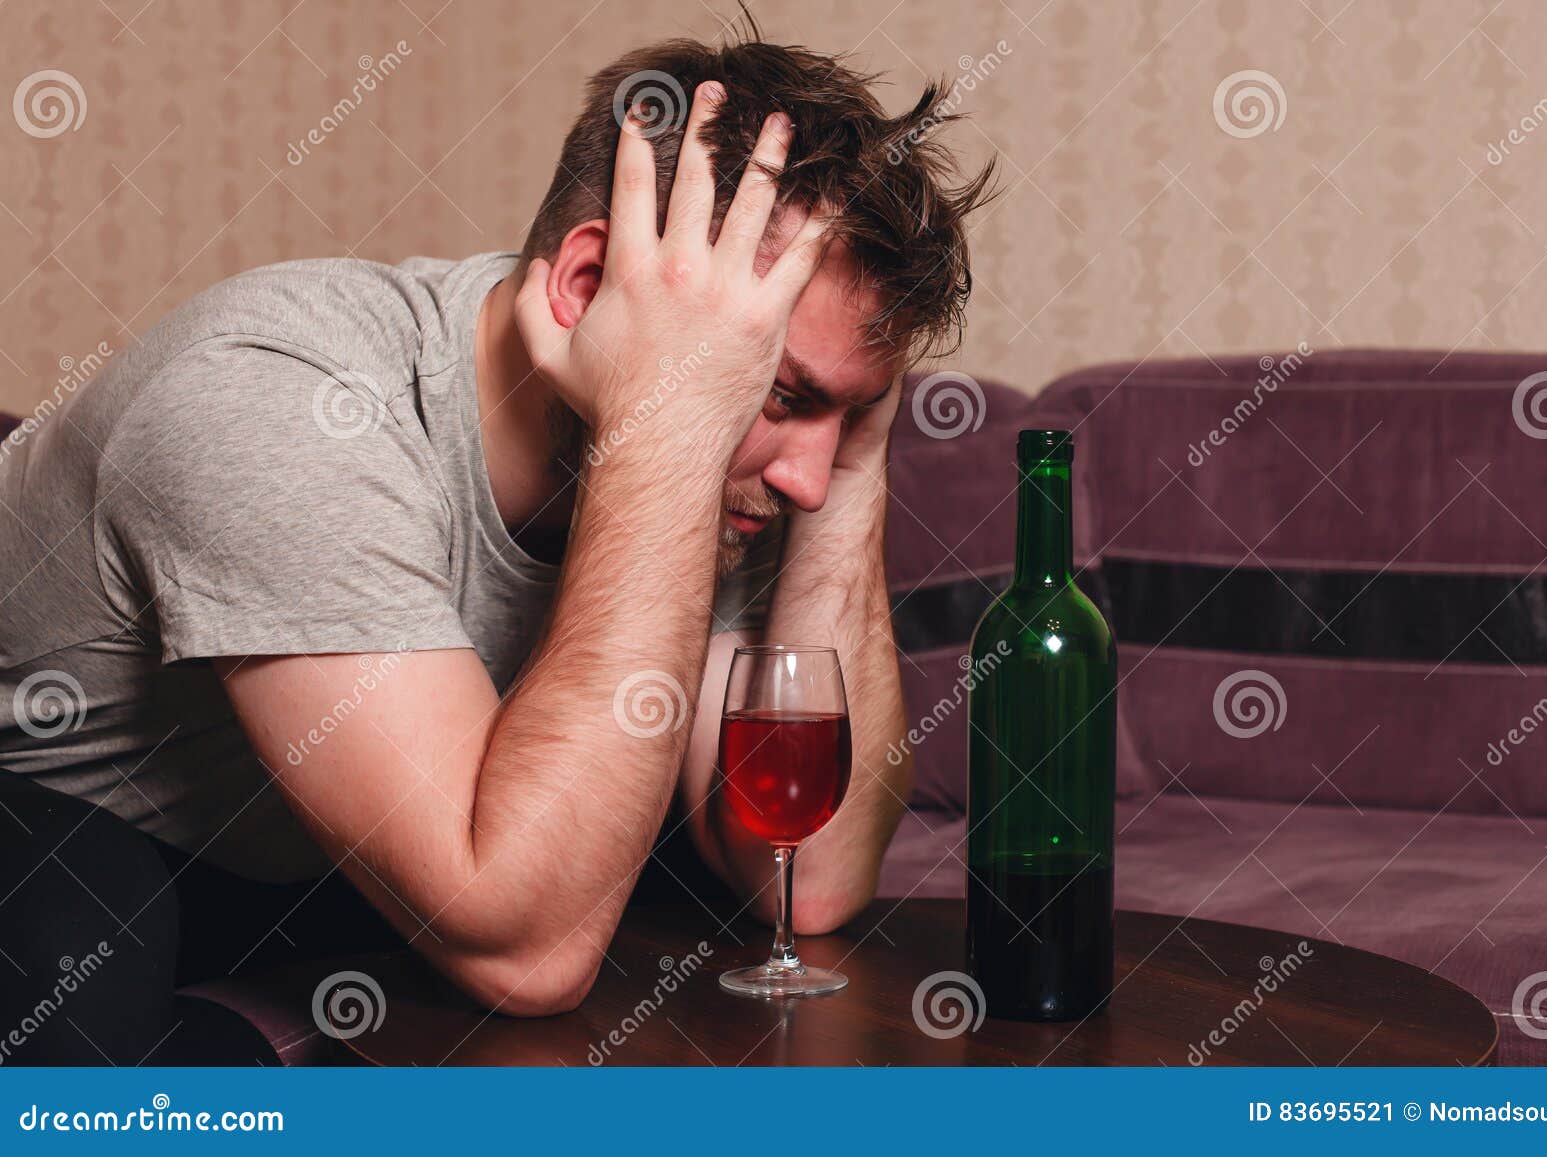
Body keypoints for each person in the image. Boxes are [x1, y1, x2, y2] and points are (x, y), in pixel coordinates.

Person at [0, 22, 994, 1062]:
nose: (800, 474)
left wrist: (849, 453)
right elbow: (531, 957)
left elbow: (811, 878)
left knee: (650, 880)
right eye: (780, 390)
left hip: (321, 859)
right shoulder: (281, 400)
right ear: (581, 286)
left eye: (842, 413)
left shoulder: (756, 475)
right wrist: (668, 421)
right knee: (83, 936)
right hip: (72, 828)